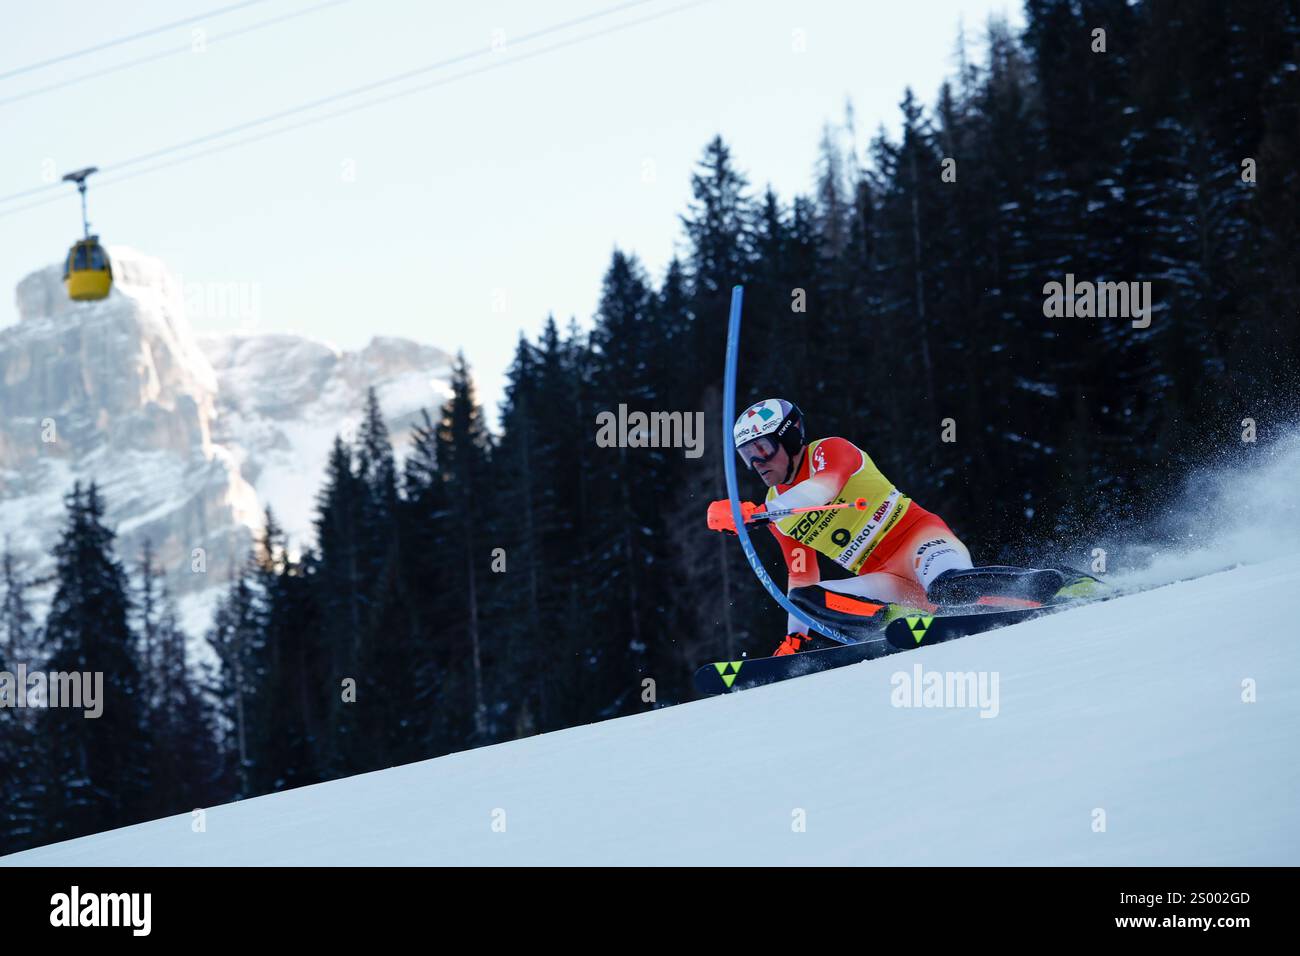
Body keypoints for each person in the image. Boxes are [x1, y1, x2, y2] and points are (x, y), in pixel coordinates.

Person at [707, 398, 1081, 656]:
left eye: (763, 449)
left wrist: (758, 513)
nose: (756, 462)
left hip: (918, 541)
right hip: (883, 578)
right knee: (803, 598)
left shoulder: (829, 452)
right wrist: (795, 637)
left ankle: (1059, 582)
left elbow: (821, 490)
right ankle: (894, 622)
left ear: (789, 437)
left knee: (947, 587)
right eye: (746, 455)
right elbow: (801, 578)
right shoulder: (776, 510)